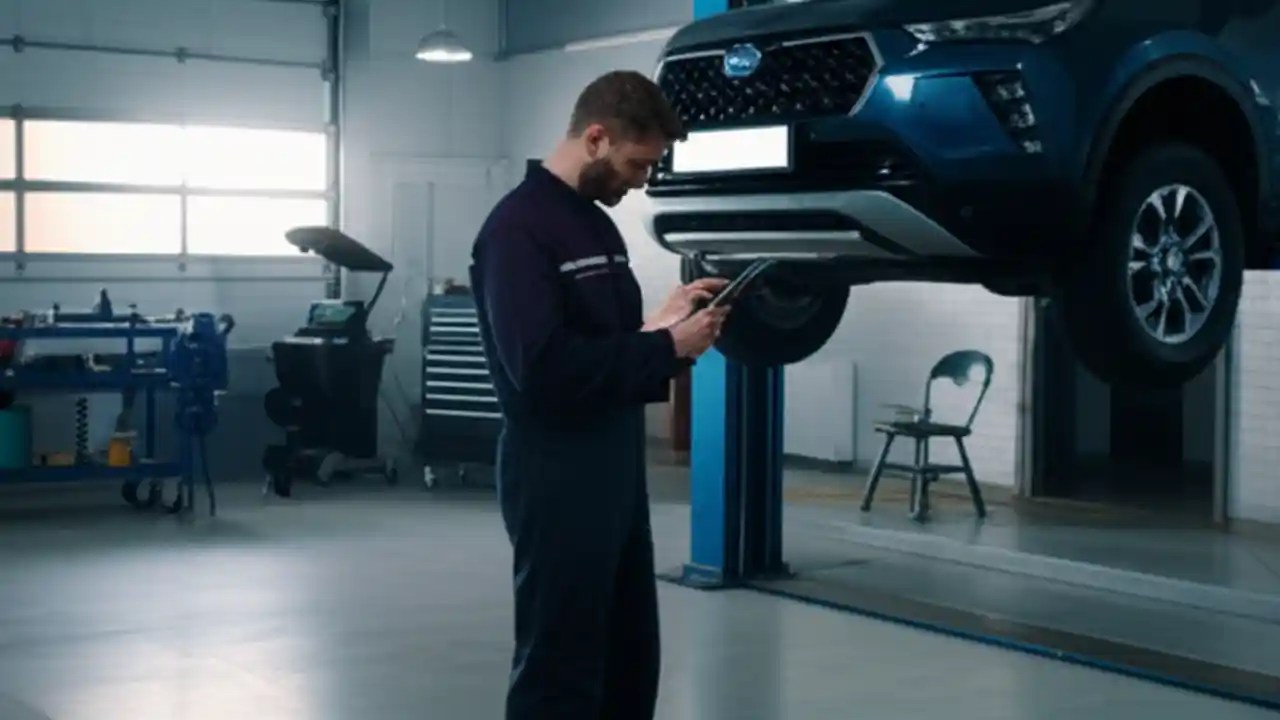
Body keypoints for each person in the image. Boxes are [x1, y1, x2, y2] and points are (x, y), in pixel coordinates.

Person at [468, 70, 731, 719]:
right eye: (637, 163)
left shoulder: (594, 225)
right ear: (595, 138)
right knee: (561, 661)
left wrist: (661, 324)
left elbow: (603, 343)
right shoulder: (517, 231)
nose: (641, 180)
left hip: (613, 467)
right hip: (554, 469)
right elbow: (544, 369)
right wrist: (667, 349)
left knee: (627, 651)